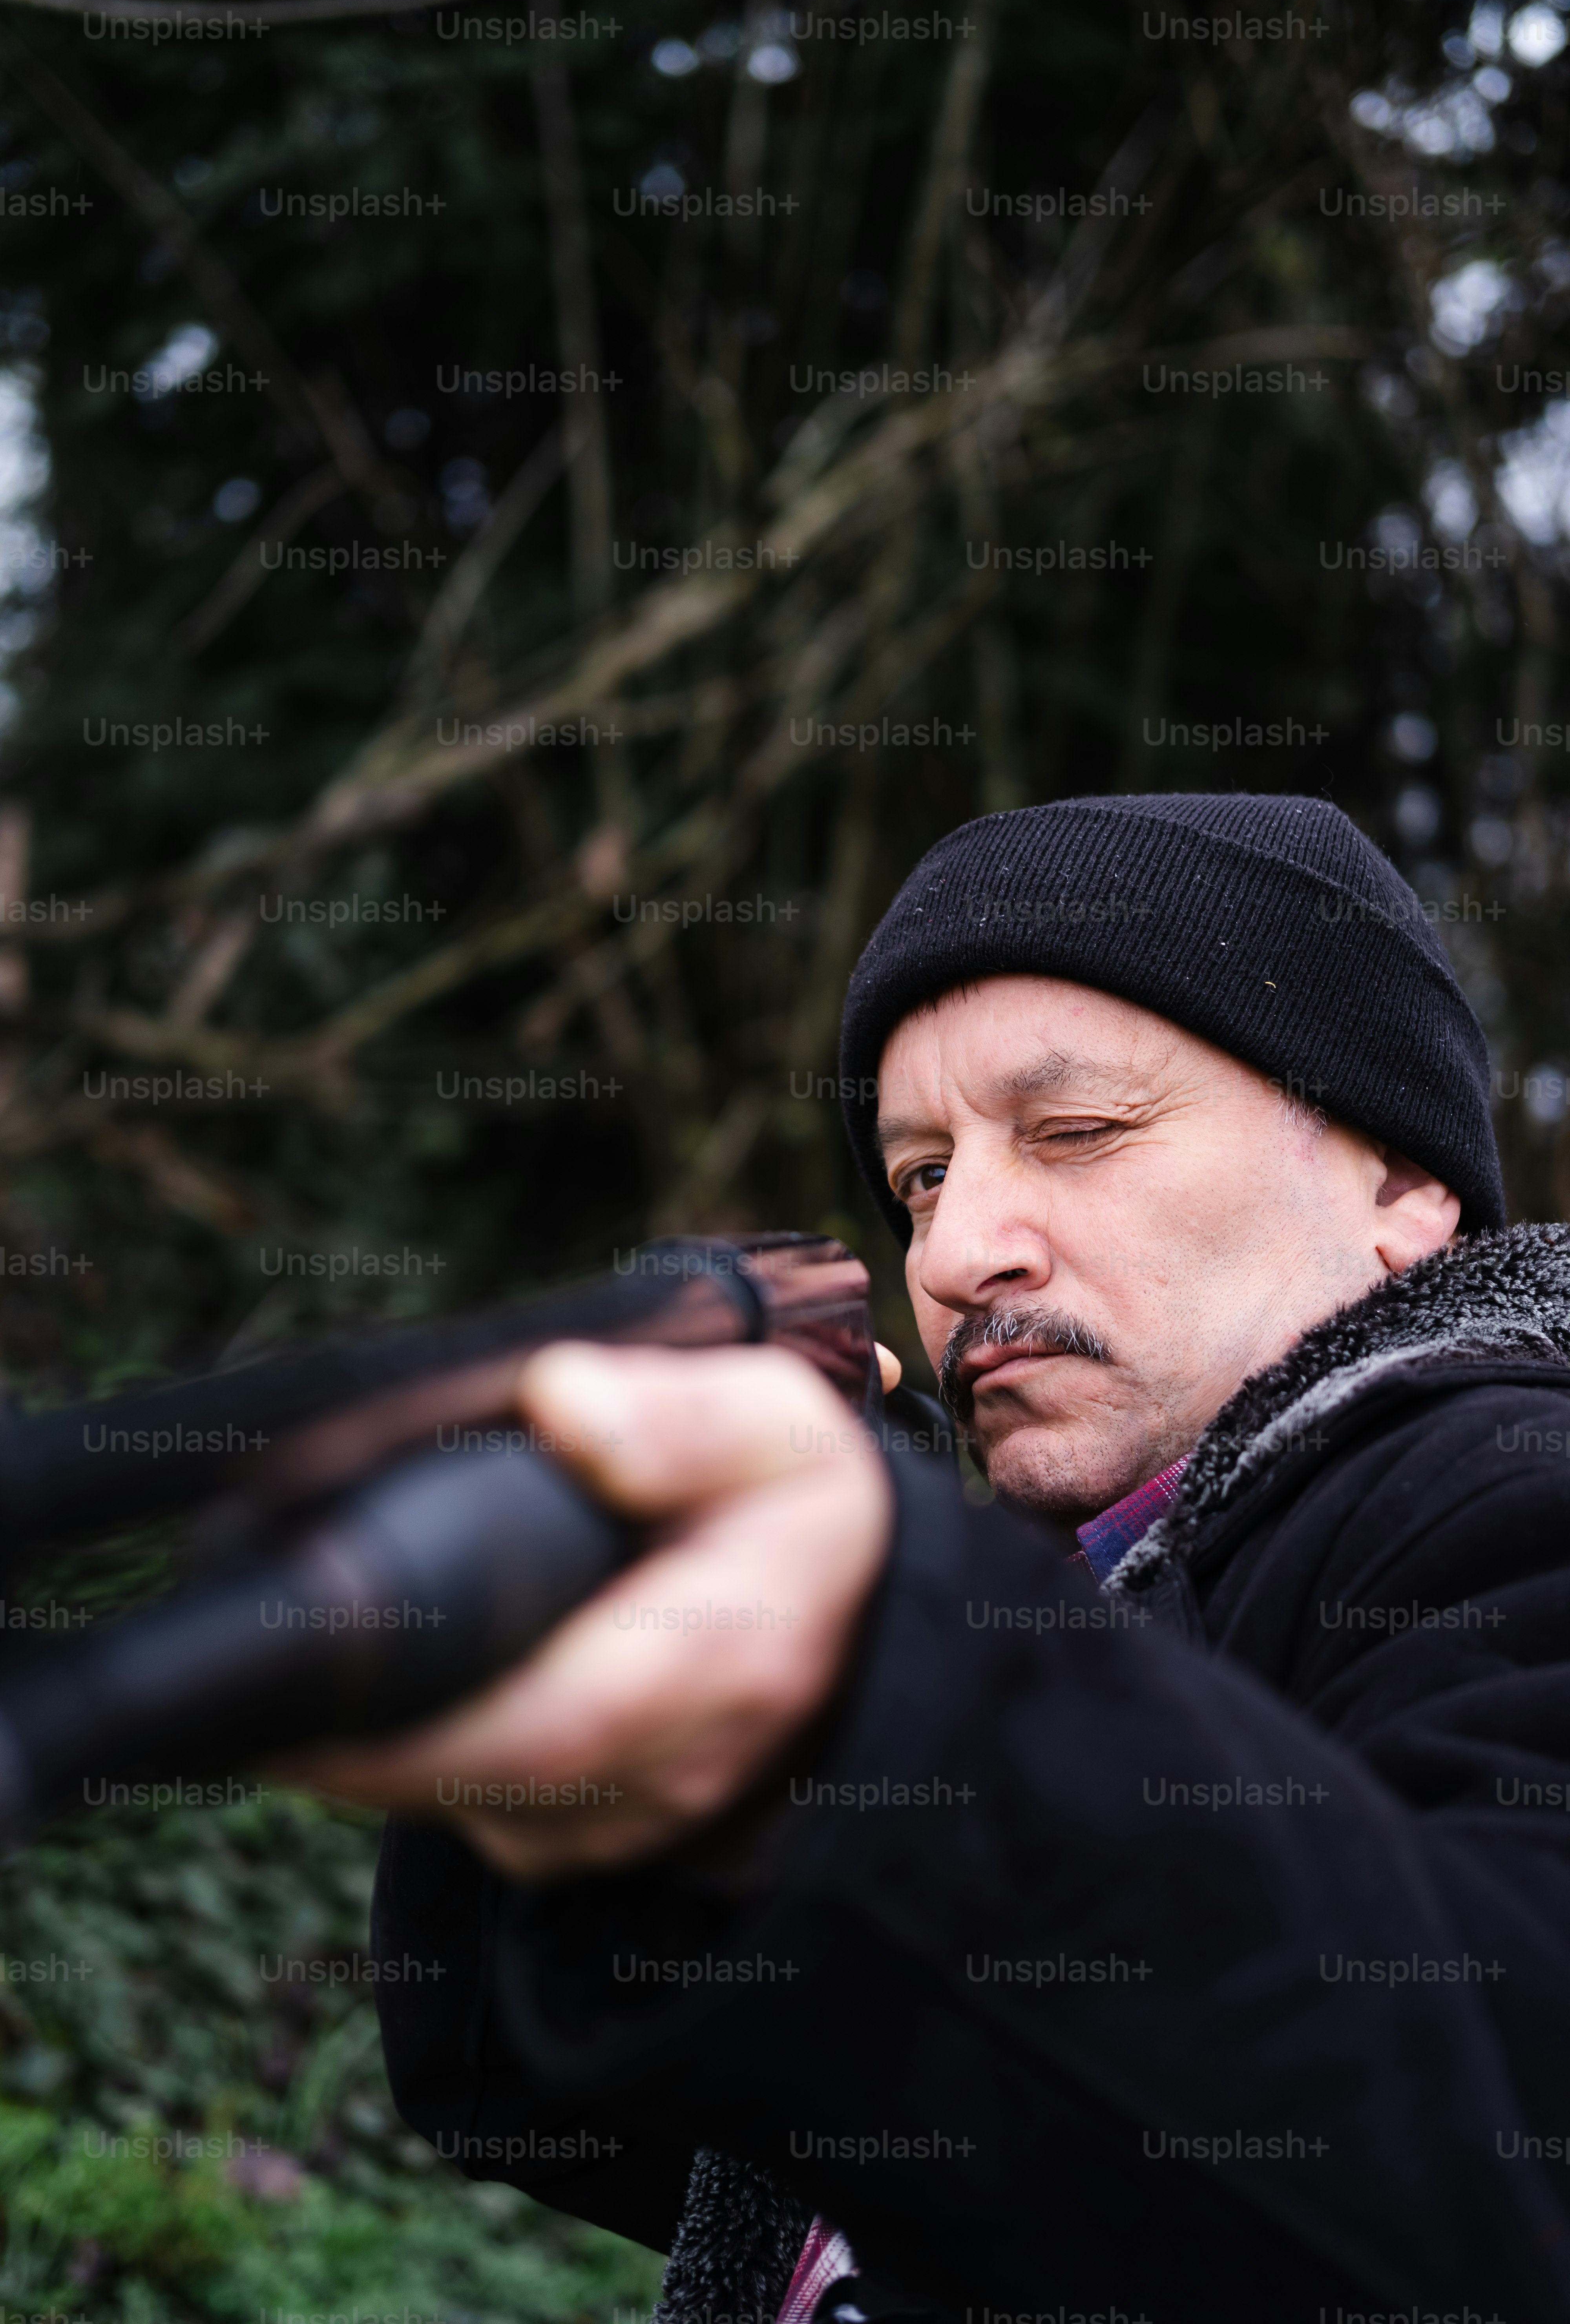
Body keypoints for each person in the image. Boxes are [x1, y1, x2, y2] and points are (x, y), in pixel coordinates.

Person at [292, 795, 1570, 2324]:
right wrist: (605, 1640)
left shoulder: (1501, 1485)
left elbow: (1500, 2166)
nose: (958, 1256)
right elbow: (529, 2091)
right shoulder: (1098, 1595)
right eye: (919, 1178)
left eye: (1077, 1133)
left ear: (1398, 1189)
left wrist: (903, 1661)